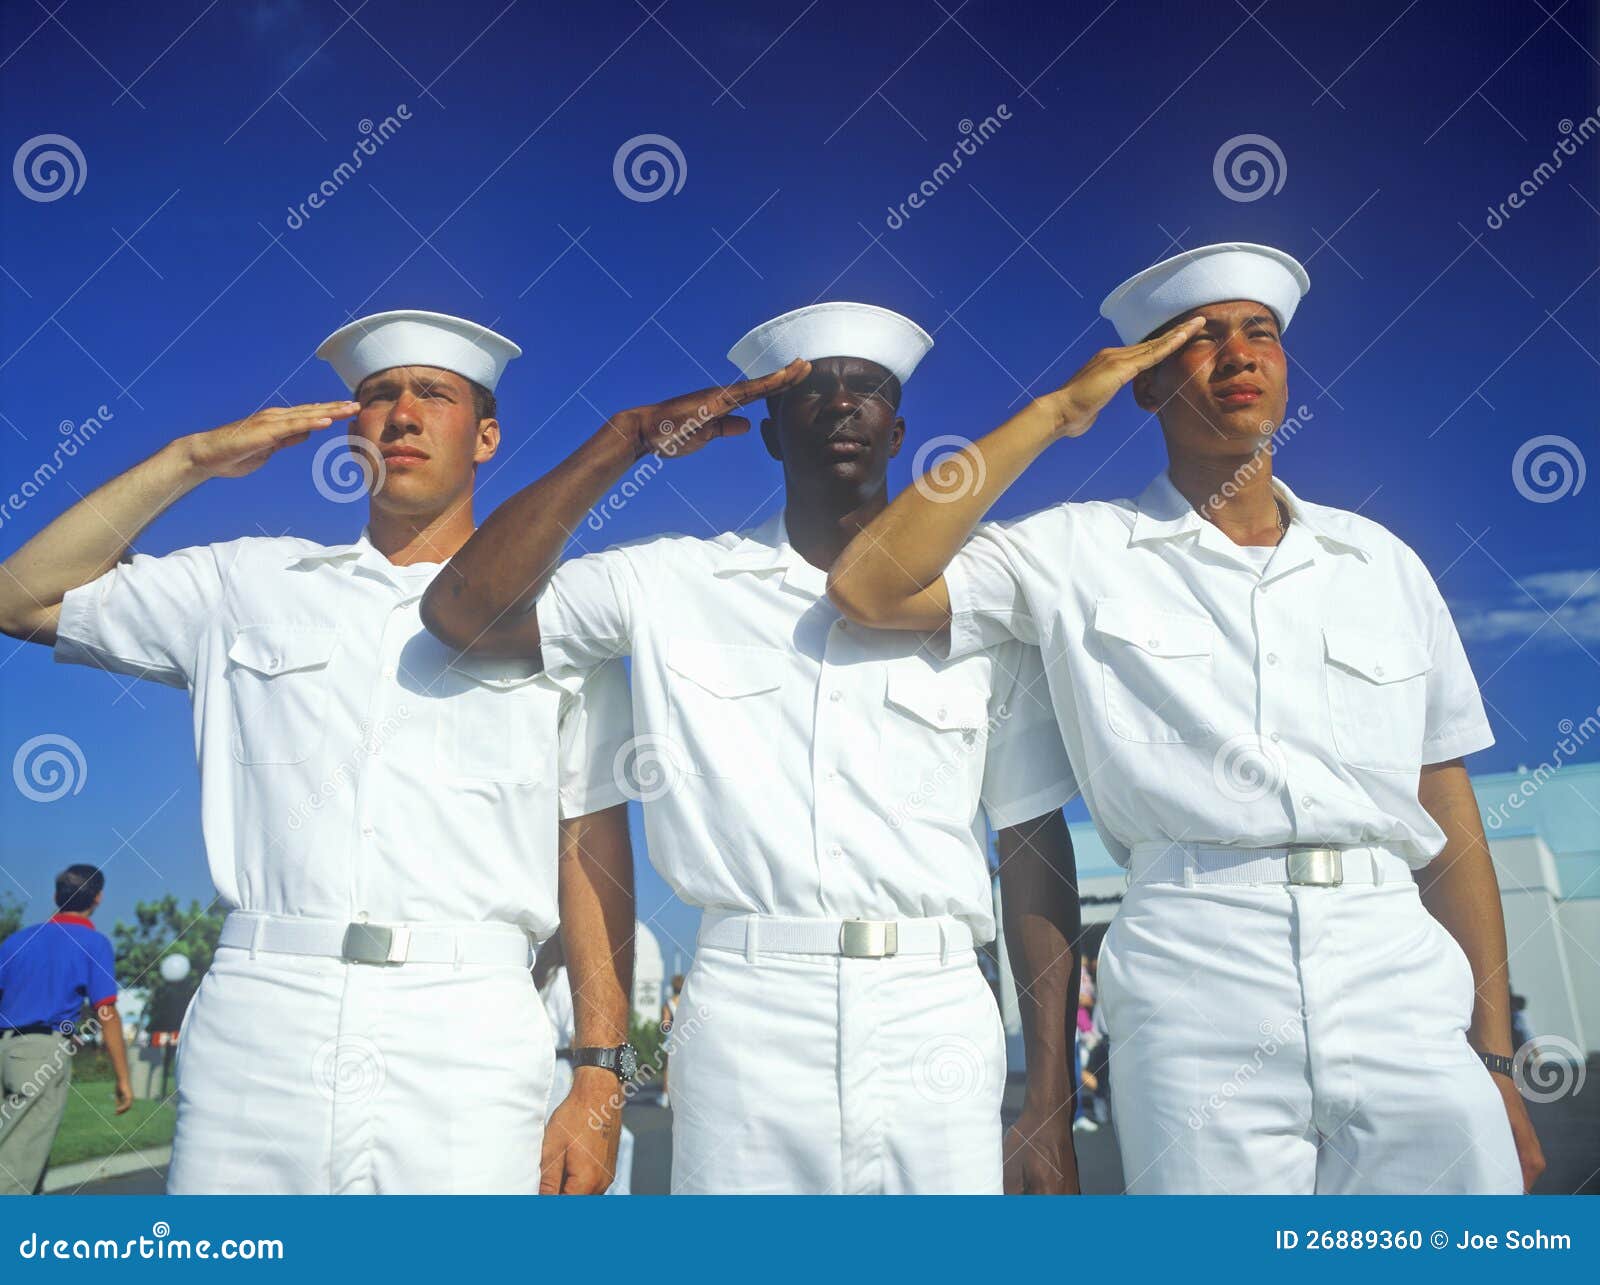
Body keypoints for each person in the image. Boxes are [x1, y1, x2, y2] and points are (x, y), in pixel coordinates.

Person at [826, 244, 1545, 1195]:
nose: (1240, 356)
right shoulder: (1074, 552)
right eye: (1201, 342)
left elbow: (1450, 815)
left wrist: (1493, 1060)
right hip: (1195, 972)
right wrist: (1054, 414)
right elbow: (867, 584)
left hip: (1398, 968)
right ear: (1145, 385)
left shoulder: (1383, 563)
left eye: (1263, 334)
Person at [421, 302, 1084, 1195]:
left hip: (937, 1017)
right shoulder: (669, 585)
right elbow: (462, 615)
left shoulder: (979, 610)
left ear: (900, 434)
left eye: (870, 391)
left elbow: (1034, 844)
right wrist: (621, 442)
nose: (844, 406)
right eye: (814, 391)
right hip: (746, 1022)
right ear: (768, 433)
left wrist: (1047, 1099)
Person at [0, 311, 638, 1195]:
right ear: (352, 428)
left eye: (434, 395)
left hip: (471, 1034)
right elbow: (23, 597)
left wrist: (600, 1071)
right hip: (263, 1024)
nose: (402, 414)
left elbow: (592, 851)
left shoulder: (563, 616)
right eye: (379, 395)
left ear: (486, 435)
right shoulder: (246, 582)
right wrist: (191, 459)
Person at [0, 864, 132, 1195]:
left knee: (22, 1161)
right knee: (16, 1170)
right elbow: (106, 1011)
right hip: (40, 1054)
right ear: (98, 898)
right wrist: (123, 1079)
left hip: (3, 1048)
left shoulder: (17, 940)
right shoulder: (93, 942)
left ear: (56, 896)